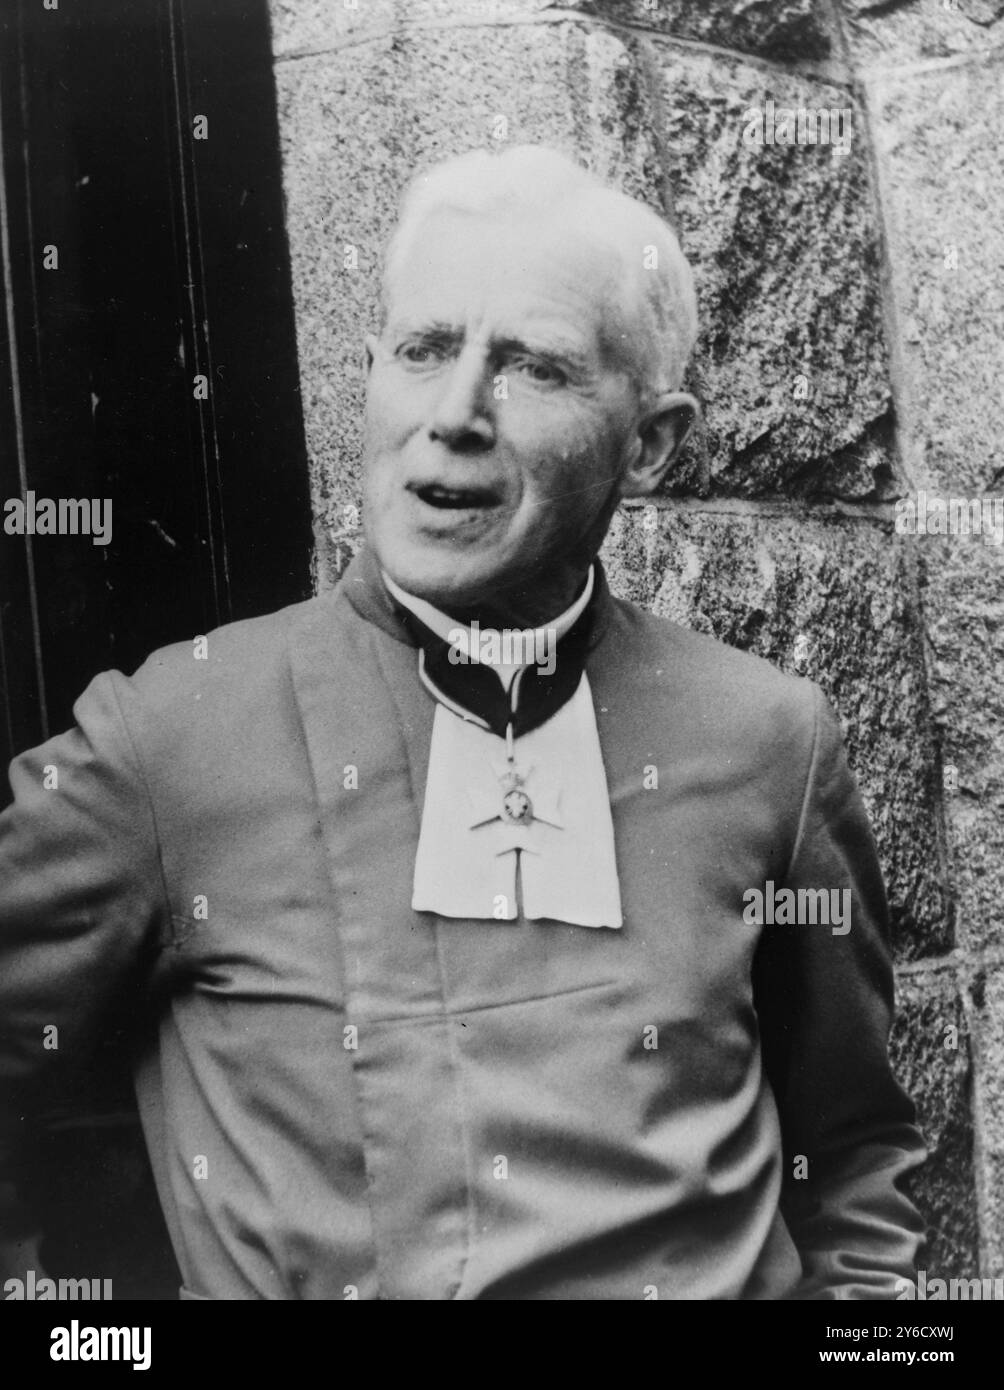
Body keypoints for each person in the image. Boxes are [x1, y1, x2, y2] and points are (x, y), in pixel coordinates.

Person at [0, 145, 925, 1300]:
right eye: (425, 350)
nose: (453, 415)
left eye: (530, 368)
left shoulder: (765, 739)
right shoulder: (169, 735)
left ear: (648, 443)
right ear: (369, 369)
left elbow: (847, 1155)